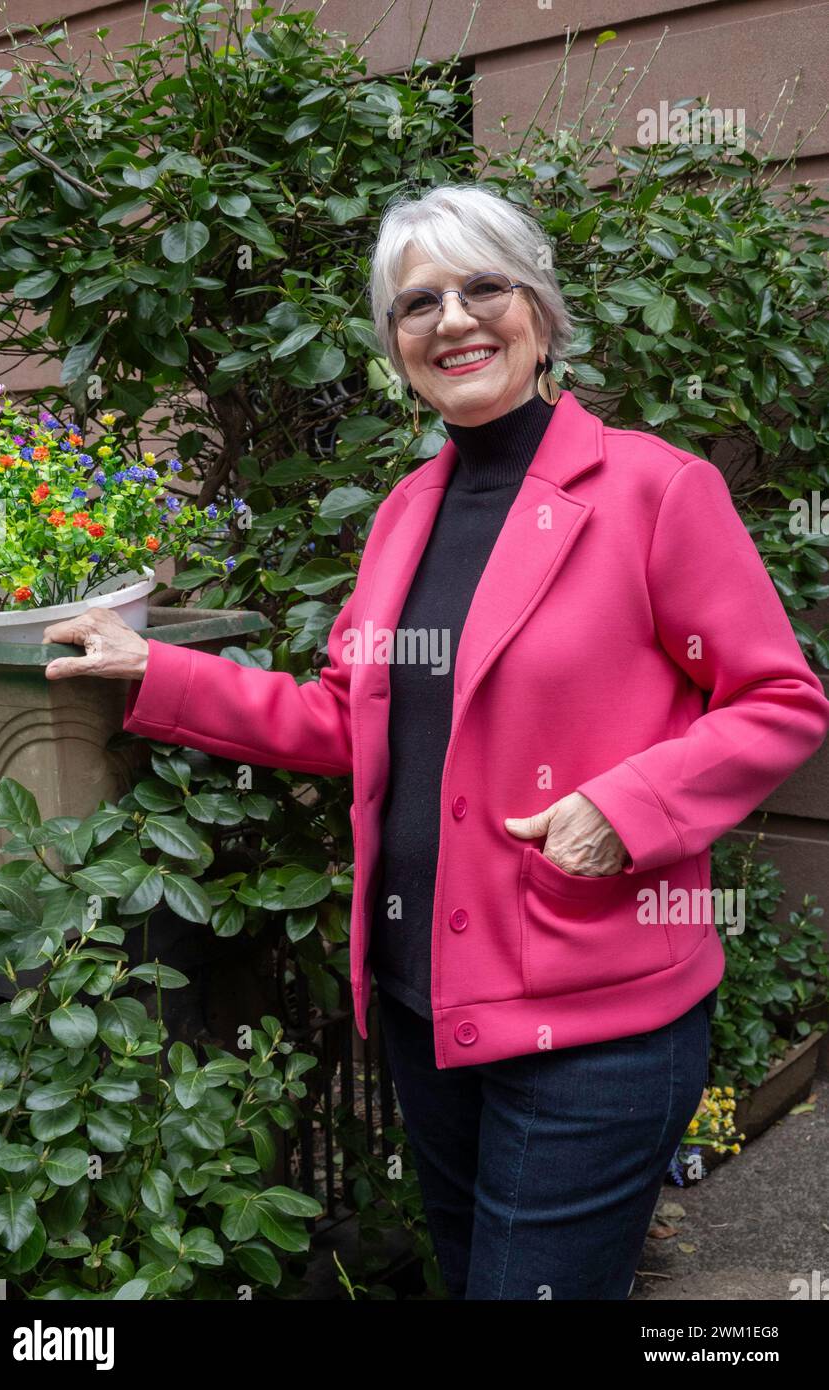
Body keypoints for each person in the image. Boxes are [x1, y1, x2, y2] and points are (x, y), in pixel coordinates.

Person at [42, 182, 829, 1300]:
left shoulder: (655, 490)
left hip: (591, 1020)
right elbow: (343, 718)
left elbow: (777, 700)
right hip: (426, 1008)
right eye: (417, 303)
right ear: (392, 344)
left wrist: (626, 808)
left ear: (539, 312)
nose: (452, 319)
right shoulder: (406, 510)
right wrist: (154, 667)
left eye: (482, 288)